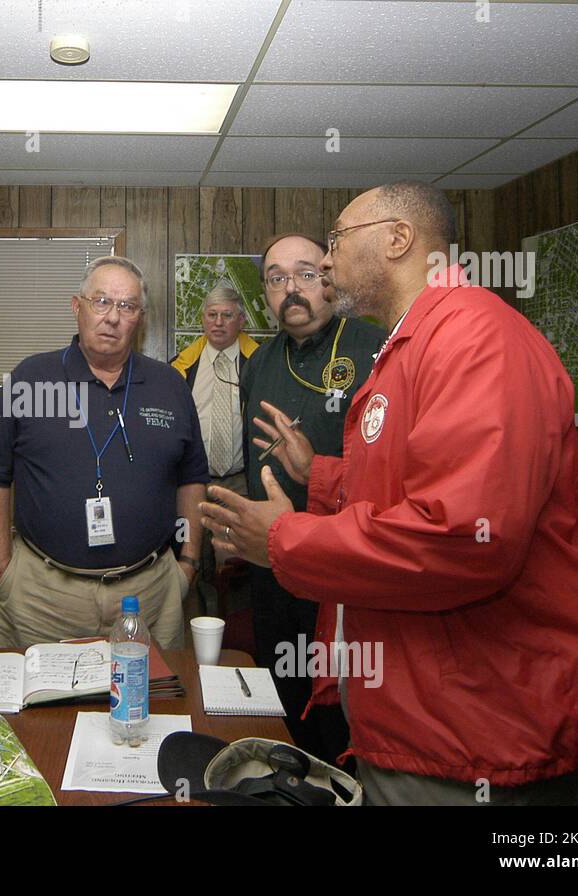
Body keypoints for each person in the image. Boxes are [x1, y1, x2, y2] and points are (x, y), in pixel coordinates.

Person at [200, 181, 578, 805]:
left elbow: (461, 538)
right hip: (421, 718)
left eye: (338, 239)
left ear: (399, 239)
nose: (326, 258)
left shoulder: (476, 340)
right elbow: (403, 490)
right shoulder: (412, 341)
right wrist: (320, 472)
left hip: (475, 738)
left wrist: (284, 539)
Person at [0, 256, 206, 650]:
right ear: (76, 306)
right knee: (40, 711)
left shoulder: (170, 385)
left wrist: (188, 564)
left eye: (127, 306)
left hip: (149, 594)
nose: (112, 317)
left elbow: (192, 479)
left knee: (152, 705)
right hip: (42, 597)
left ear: (140, 318)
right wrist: (0, 569)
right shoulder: (30, 380)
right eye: (101, 302)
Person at [234, 233, 384, 762]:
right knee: (282, 698)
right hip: (272, 567)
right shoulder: (257, 361)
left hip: (349, 572)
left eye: (304, 274)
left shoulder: (378, 347)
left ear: (329, 276)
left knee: (340, 714)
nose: (291, 289)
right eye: (276, 279)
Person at [168, 284, 258, 615]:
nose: (218, 322)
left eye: (227, 315)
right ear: (203, 320)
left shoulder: (258, 362)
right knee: (186, 562)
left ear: (241, 321)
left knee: (234, 568)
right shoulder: (179, 367)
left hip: (238, 483)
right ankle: (189, 642)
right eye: (212, 315)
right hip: (192, 483)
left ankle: (234, 644)